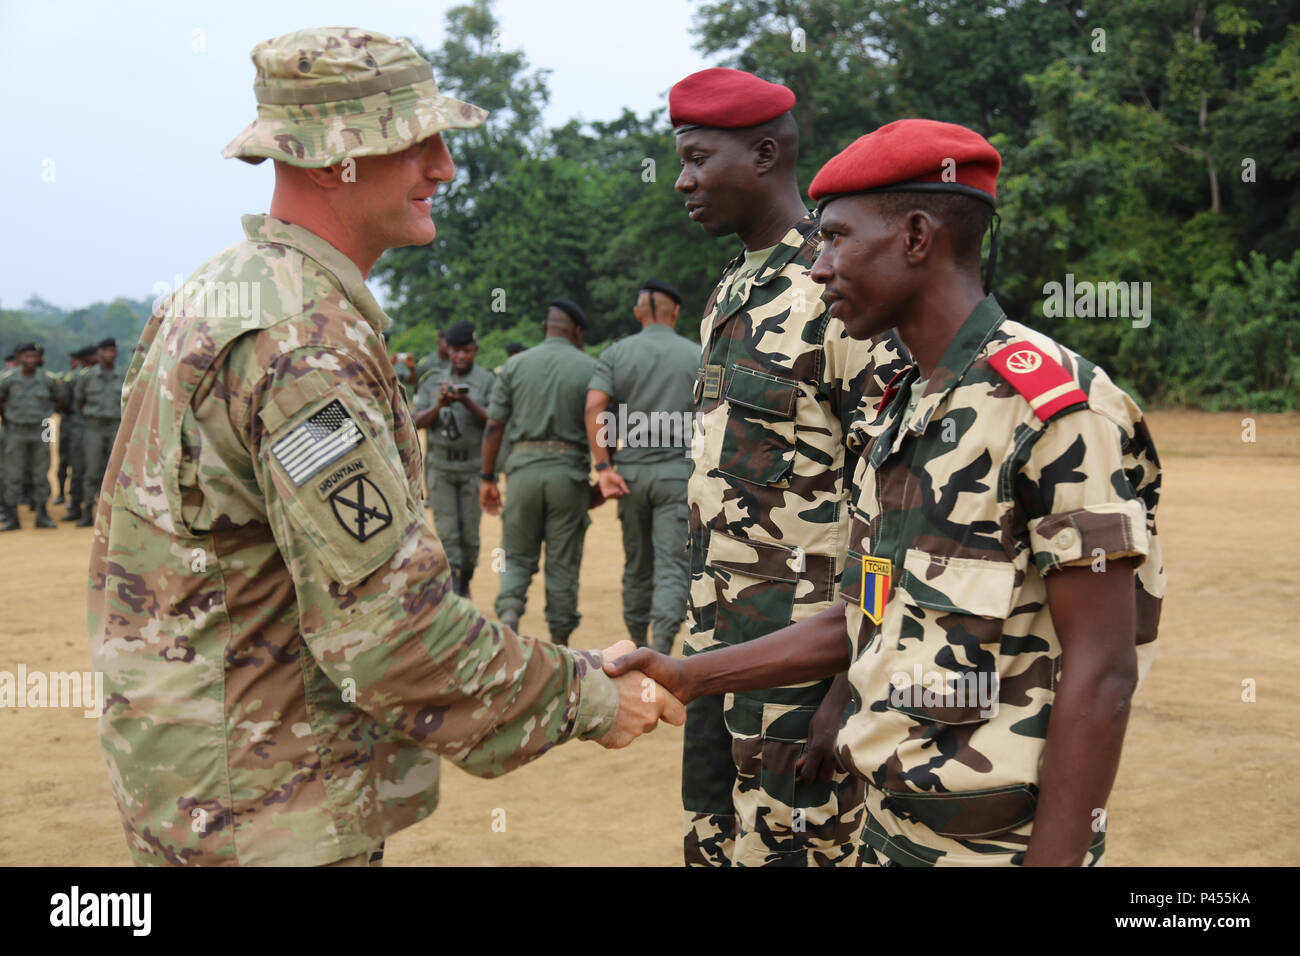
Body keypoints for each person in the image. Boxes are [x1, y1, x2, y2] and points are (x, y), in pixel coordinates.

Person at [85, 27, 682, 868]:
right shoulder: (300, 343)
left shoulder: (228, 289)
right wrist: (585, 694)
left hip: (218, 782)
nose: (441, 167)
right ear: (339, 157)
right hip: (265, 811)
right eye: (416, 143)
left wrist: (573, 665)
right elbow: (388, 635)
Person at [607, 118, 1166, 868]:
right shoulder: (901, 407)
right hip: (884, 830)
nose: (817, 266)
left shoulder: (1054, 410)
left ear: (915, 237)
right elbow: (866, 614)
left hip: (992, 849)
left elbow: (1104, 672)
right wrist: (689, 674)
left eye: (836, 238)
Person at [669, 67, 907, 867]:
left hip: (802, 660)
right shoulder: (735, 286)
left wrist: (851, 676)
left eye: (698, 158)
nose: (682, 181)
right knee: (712, 840)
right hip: (714, 643)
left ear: (765, 154)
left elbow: (889, 501)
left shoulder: (837, 287)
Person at [585, 278, 699, 654]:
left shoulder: (616, 353)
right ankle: (662, 647)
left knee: (637, 564)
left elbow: (594, 407)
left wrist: (604, 468)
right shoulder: (697, 354)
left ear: (637, 313)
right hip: (677, 476)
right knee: (671, 564)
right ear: (676, 312)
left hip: (629, 475)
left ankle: (634, 643)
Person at [480, 298, 597, 644]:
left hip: (522, 474)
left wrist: (487, 478)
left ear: (545, 328)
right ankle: (560, 643)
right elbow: (603, 424)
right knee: (562, 563)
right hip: (569, 476)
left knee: (514, 555)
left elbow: (493, 427)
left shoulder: (516, 366)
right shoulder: (590, 367)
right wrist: (605, 472)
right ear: (576, 331)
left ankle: (510, 614)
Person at [411, 319, 495, 597]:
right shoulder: (433, 379)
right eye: (456, 350)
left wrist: (466, 401)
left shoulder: (486, 380)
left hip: (472, 468)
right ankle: (455, 594)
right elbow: (416, 421)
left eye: (467, 351)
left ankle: (465, 582)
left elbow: (494, 421)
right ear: (448, 350)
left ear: (475, 350)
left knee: (470, 540)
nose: (461, 356)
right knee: (448, 536)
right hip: (442, 468)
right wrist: (440, 405)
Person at [0, 342, 65, 530]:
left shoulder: (48, 379)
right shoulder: (8, 379)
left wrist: (45, 413)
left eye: (33, 356)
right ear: (18, 358)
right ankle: (12, 517)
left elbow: (60, 400)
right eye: (25, 356)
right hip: (15, 430)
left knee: (41, 471)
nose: (30, 360)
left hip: (43, 429)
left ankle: (42, 514)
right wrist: (9, 418)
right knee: (13, 473)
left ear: (39, 358)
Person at [74, 336, 126, 526]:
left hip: (115, 428)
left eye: (112, 351)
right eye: (105, 351)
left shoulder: (123, 375)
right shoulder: (87, 376)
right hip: (93, 428)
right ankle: (88, 511)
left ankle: (113, 514)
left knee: (115, 471)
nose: (108, 355)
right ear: (98, 354)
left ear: (116, 353)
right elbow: (80, 401)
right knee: (92, 470)